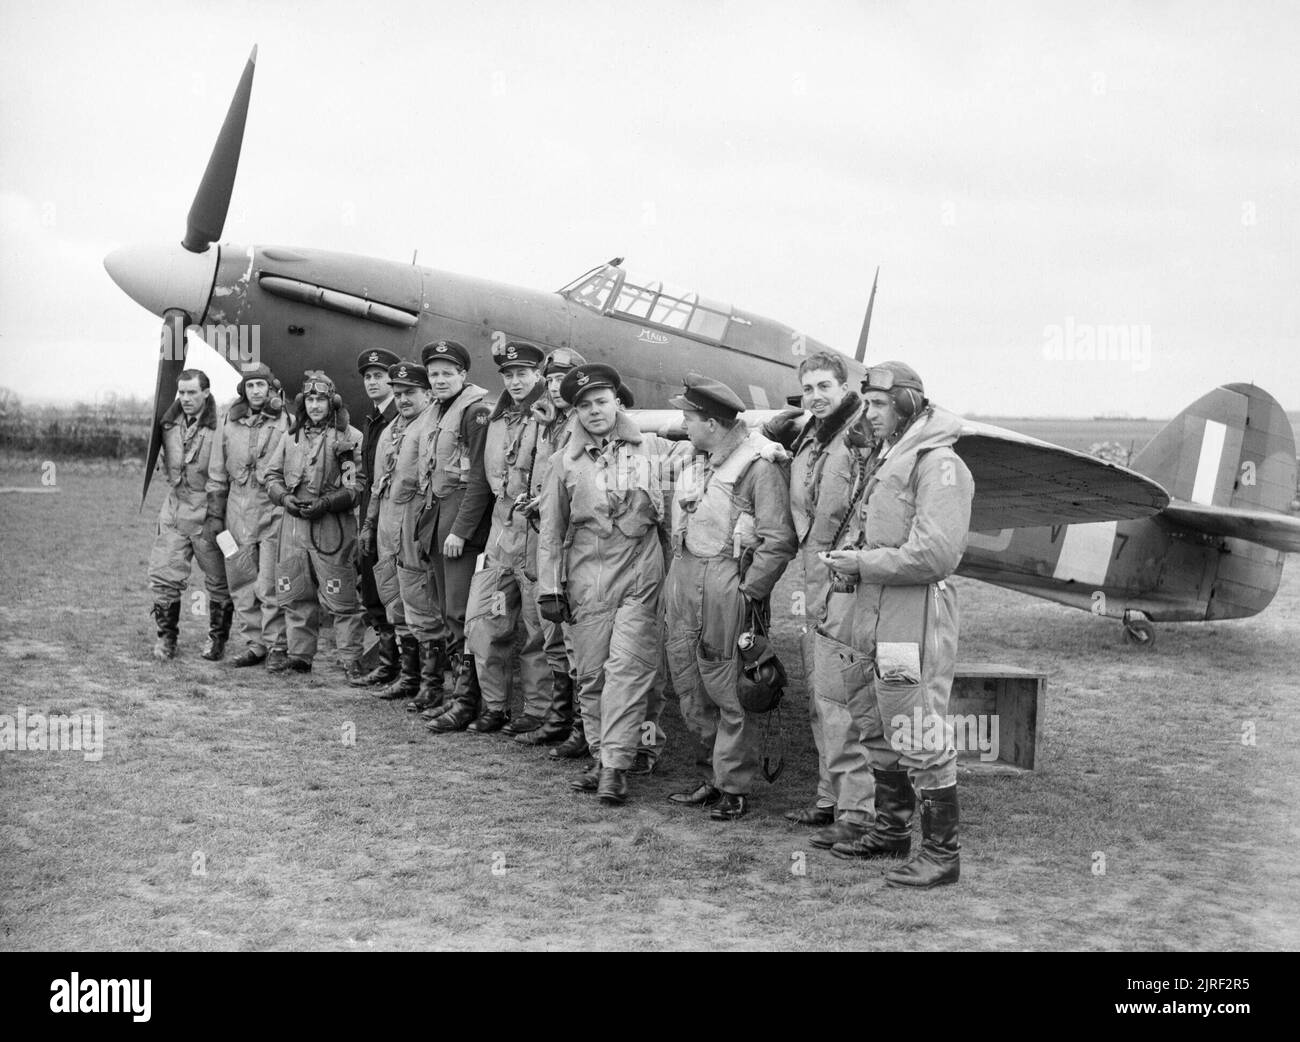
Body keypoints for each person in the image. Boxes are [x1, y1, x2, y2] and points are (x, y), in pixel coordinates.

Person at [820, 361, 973, 888]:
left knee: (914, 722)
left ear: (907, 404)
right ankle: (891, 831)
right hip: (869, 611)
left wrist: (863, 564)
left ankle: (941, 855)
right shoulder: (890, 458)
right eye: (868, 404)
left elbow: (935, 555)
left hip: (910, 615)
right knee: (872, 714)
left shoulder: (938, 464)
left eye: (880, 404)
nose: (871, 414)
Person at [537, 363, 678, 805]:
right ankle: (603, 755)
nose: (594, 411)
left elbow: (710, 459)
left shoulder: (657, 449)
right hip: (586, 579)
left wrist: (762, 444)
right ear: (574, 411)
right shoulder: (562, 462)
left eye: (601, 401)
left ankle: (615, 768)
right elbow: (550, 531)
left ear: (618, 401)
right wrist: (549, 589)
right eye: (584, 405)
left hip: (640, 573)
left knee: (628, 670)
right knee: (593, 674)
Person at [664, 373, 797, 821]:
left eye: (689, 416)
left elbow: (778, 539)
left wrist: (748, 591)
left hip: (725, 588)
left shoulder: (759, 466)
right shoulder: (697, 459)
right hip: (684, 581)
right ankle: (711, 777)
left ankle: (734, 788)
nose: (683, 423)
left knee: (730, 689)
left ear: (712, 422)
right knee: (689, 682)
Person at [763, 352, 877, 848]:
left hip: (851, 582)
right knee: (819, 696)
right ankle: (830, 798)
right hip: (815, 583)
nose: (815, 395)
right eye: (807, 387)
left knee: (843, 698)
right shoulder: (810, 436)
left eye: (825, 385)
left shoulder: (863, 437)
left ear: (844, 384)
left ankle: (859, 812)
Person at [461, 340, 553, 733]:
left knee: (537, 629)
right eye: (509, 375)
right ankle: (495, 706)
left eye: (523, 374)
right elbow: (481, 482)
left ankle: (537, 711)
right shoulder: (494, 422)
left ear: (538, 375)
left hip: (536, 536)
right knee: (487, 621)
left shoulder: (552, 418)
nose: (515, 382)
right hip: (501, 535)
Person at [264, 371, 365, 673]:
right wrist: (284, 498)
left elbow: (355, 487)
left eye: (321, 398)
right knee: (296, 592)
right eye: (310, 398)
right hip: (294, 526)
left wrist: (327, 503)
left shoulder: (349, 438)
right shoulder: (289, 437)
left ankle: (350, 660)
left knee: (342, 596)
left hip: (331, 527)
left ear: (332, 402)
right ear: (302, 402)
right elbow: (270, 476)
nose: (315, 405)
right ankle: (299, 656)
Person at [419, 341, 494, 734]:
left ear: (463, 375)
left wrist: (461, 533)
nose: (440, 379)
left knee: (464, 615)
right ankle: (456, 696)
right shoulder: (438, 410)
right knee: (447, 613)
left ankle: (468, 702)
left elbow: (479, 479)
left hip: (459, 528)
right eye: (434, 374)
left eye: (448, 372)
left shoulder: (475, 412)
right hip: (438, 522)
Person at [515, 347, 587, 752]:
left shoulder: (582, 425)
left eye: (565, 379)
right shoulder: (549, 424)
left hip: (572, 544)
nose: (558, 386)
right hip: (543, 539)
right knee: (552, 632)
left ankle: (580, 723)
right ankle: (560, 717)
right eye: (553, 379)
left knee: (574, 635)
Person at [358, 362, 438, 702]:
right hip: (387, 522)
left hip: (412, 520)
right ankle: (408, 678)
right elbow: (378, 485)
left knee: (419, 602)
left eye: (411, 393)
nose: (404, 399)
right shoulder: (392, 428)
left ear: (427, 394)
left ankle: (431, 685)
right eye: (400, 393)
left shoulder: (430, 428)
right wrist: (369, 525)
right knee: (394, 598)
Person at [205, 363, 291, 671]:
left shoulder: (287, 421)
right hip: (236, 513)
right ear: (244, 389)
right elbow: (216, 471)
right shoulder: (229, 421)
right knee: (241, 580)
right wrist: (215, 515)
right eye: (251, 385)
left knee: (270, 582)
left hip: (273, 511)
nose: (256, 391)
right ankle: (255, 644)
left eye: (262, 386)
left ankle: (277, 645)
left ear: (271, 389)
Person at [146, 368, 233, 661]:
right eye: (181, 392)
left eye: (192, 392)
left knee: (219, 580)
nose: (185, 398)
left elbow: (222, 475)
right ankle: (166, 639)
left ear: (206, 393)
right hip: (174, 508)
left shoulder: (221, 426)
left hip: (207, 510)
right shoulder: (168, 424)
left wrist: (216, 517)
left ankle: (217, 640)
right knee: (163, 574)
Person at [349, 348, 403, 690]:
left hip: (393, 515)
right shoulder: (373, 418)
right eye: (367, 377)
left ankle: (404, 669)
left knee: (394, 590)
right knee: (372, 586)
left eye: (379, 376)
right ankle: (387, 664)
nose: (372, 382)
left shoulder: (398, 419)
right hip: (371, 513)